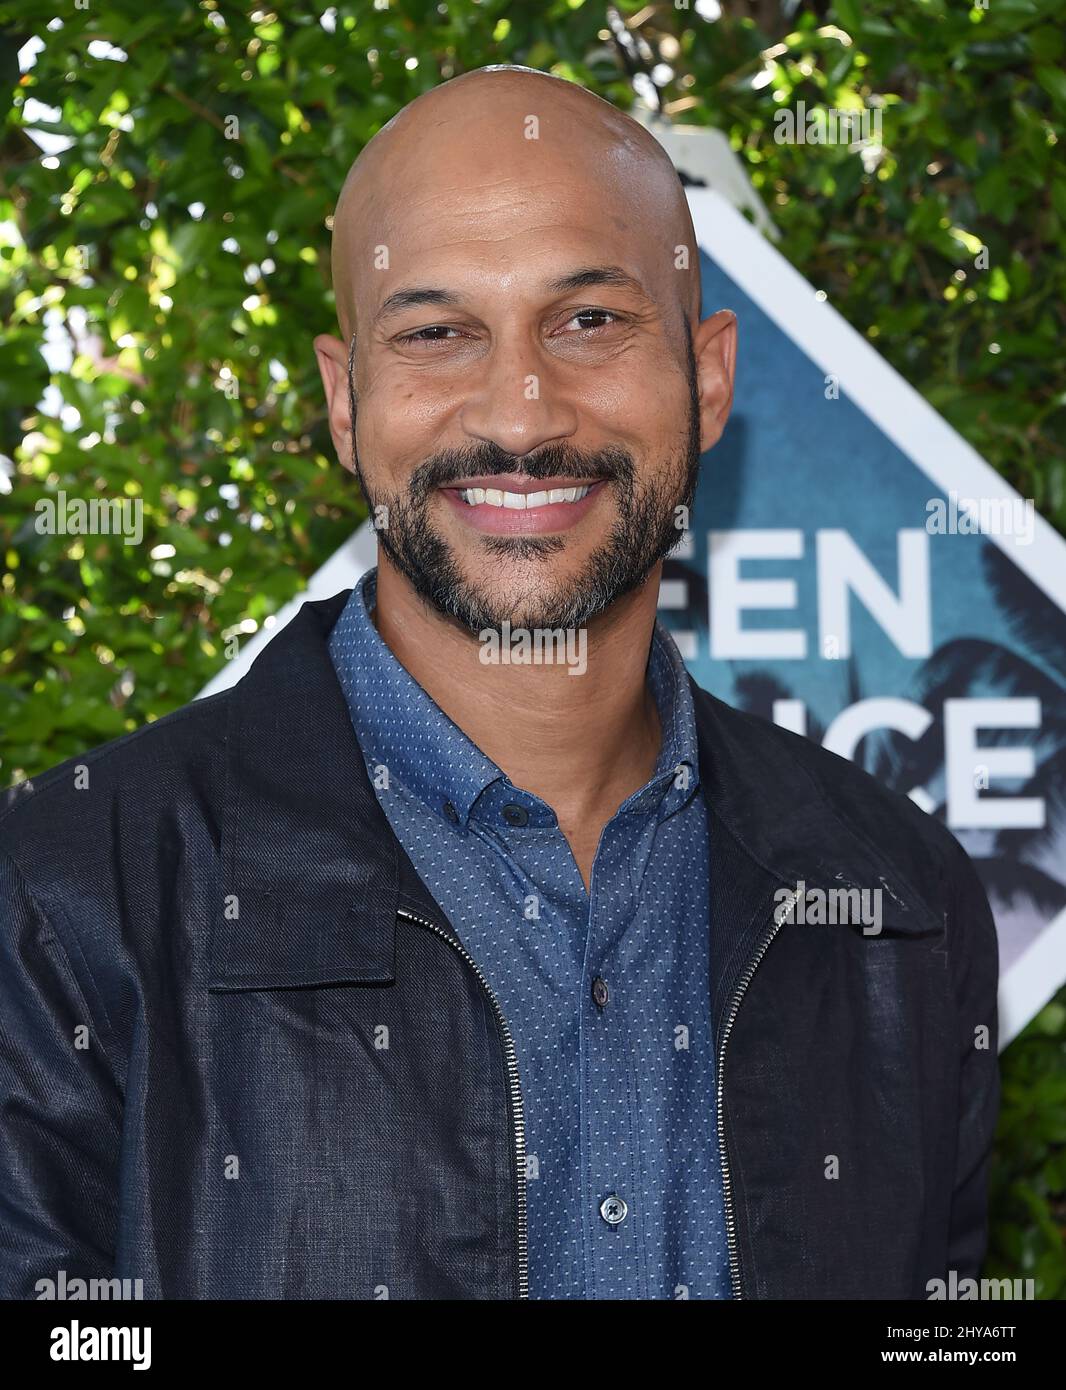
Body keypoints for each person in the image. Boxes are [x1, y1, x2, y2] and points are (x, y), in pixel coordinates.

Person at [0, 65, 999, 1300]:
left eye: (587, 321)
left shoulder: (899, 900)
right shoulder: (65, 891)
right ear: (344, 399)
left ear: (707, 377)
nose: (520, 412)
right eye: (435, 331)